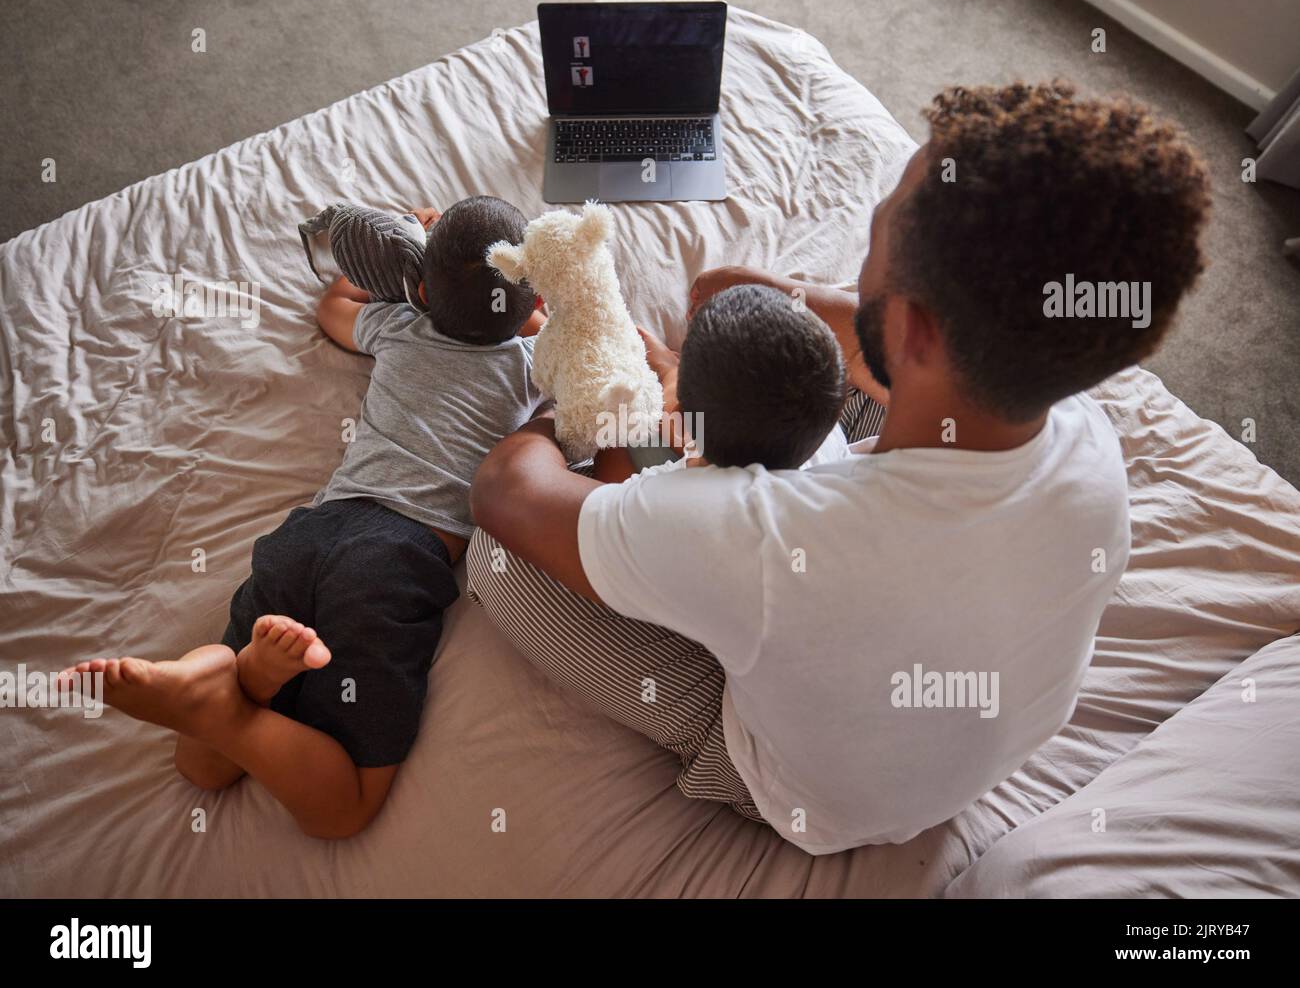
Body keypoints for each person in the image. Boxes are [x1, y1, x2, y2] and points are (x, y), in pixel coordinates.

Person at [466, 81, 1211, 854]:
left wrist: (605, 387)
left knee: (502, 564)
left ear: (914, 330)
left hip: (802, 793)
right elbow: (882, 347)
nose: (871, 228)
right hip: (932, 719)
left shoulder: (770, 540)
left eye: (881, 221)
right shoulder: (1083, 430)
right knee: (782, 376)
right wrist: (776, 297)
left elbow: (506, 493)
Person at [60, 195, 549, 839]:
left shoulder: (400, 325)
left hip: (312, 532)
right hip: (393, 561)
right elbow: (570, 340)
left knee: (202, 770)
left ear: (421, 288)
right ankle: (232, 713)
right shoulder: (532, 364)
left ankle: (236, 678)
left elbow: (333, 307)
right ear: (530, 304)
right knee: (345, 807)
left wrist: (406, 257)